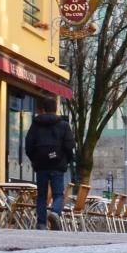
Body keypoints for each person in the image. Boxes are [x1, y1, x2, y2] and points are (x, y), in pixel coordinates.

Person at [24, 98, 75, 229]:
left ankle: (41, 223)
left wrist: (35, 160)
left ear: (43, 109)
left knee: (41, 195)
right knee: (58, 194)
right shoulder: (63, 125)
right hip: (58, 165)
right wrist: (67, 160)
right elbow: (69, 145)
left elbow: (29, 145)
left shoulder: (35, 124)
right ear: (55, 109)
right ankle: (55, 212)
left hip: (41, 166)